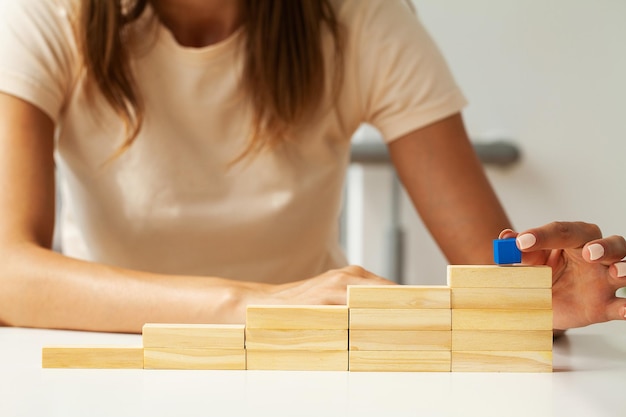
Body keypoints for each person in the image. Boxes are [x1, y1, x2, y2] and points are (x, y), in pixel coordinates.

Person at [0, 0, 622, 334]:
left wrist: (532, 302)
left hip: (303, 361)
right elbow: (8, 270)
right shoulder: (45, 15)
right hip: (107, 348)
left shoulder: (362, 19)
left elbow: (495, 267)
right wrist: (253, 305)